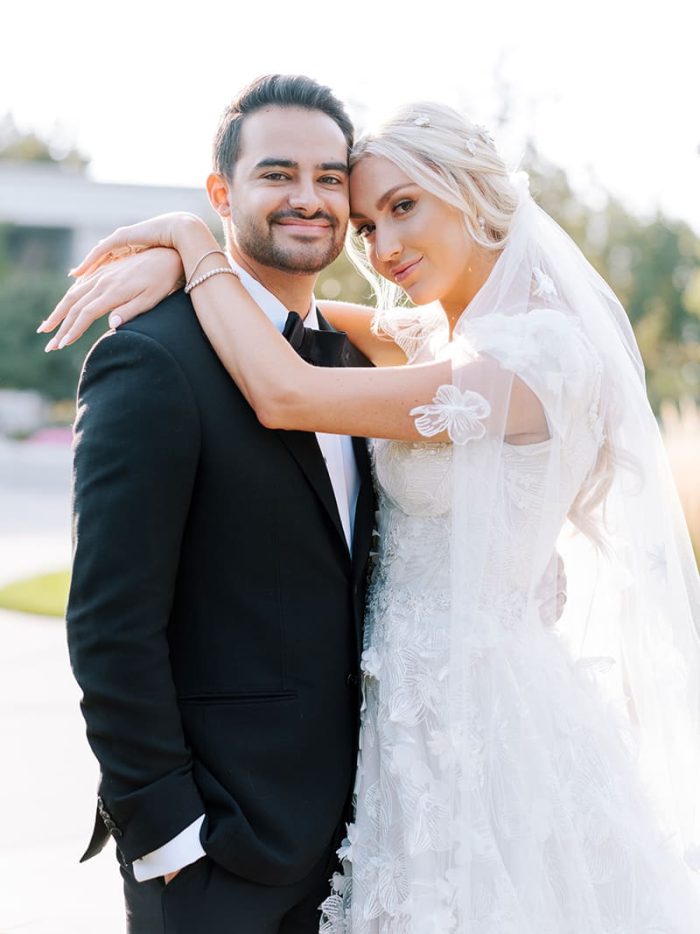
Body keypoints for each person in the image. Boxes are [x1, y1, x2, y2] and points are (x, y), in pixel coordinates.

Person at [44, 97, 700, 931]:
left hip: (485, 727)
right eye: (367, 226)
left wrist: (186, 239)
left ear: (472, 191)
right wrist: (187, 264)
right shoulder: (430, 340)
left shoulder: (542, 356)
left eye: (403, 207)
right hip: (384, 751)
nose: (384, 248)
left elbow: (287, 389)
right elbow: (287, 317)